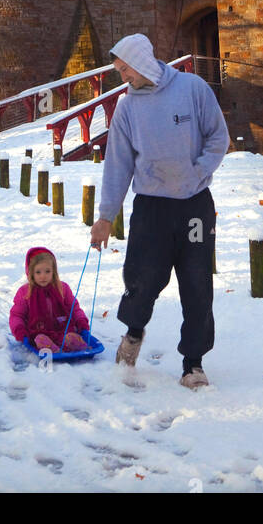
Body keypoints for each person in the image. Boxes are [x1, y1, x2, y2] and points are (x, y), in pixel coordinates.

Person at [90, 33, 230, 389]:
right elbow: (118, 165)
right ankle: (133, 334)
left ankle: (193, 364)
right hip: (151, 207)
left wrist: (198, 172)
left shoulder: (192, 88)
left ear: (143, 62)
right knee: (142, 278)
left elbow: (218, 137)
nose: (123, 77)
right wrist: (105, 217)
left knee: (197, 282)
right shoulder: (126, 108)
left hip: (195, 206)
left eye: (125, 69)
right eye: (119, 71)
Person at [9, 246, 91, 352]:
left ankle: (78, 346)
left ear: (54, 271)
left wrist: (81, 322)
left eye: (47, 271)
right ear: (31, 273)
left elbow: (74, 309)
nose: (43, 276)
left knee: (71, 337)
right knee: (40, 339)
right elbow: (17, 315)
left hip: (63, 330)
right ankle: (52, 349)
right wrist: (20, 331)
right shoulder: (25, 292)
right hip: (38, 332)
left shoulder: (62, 288)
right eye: (38, 272)